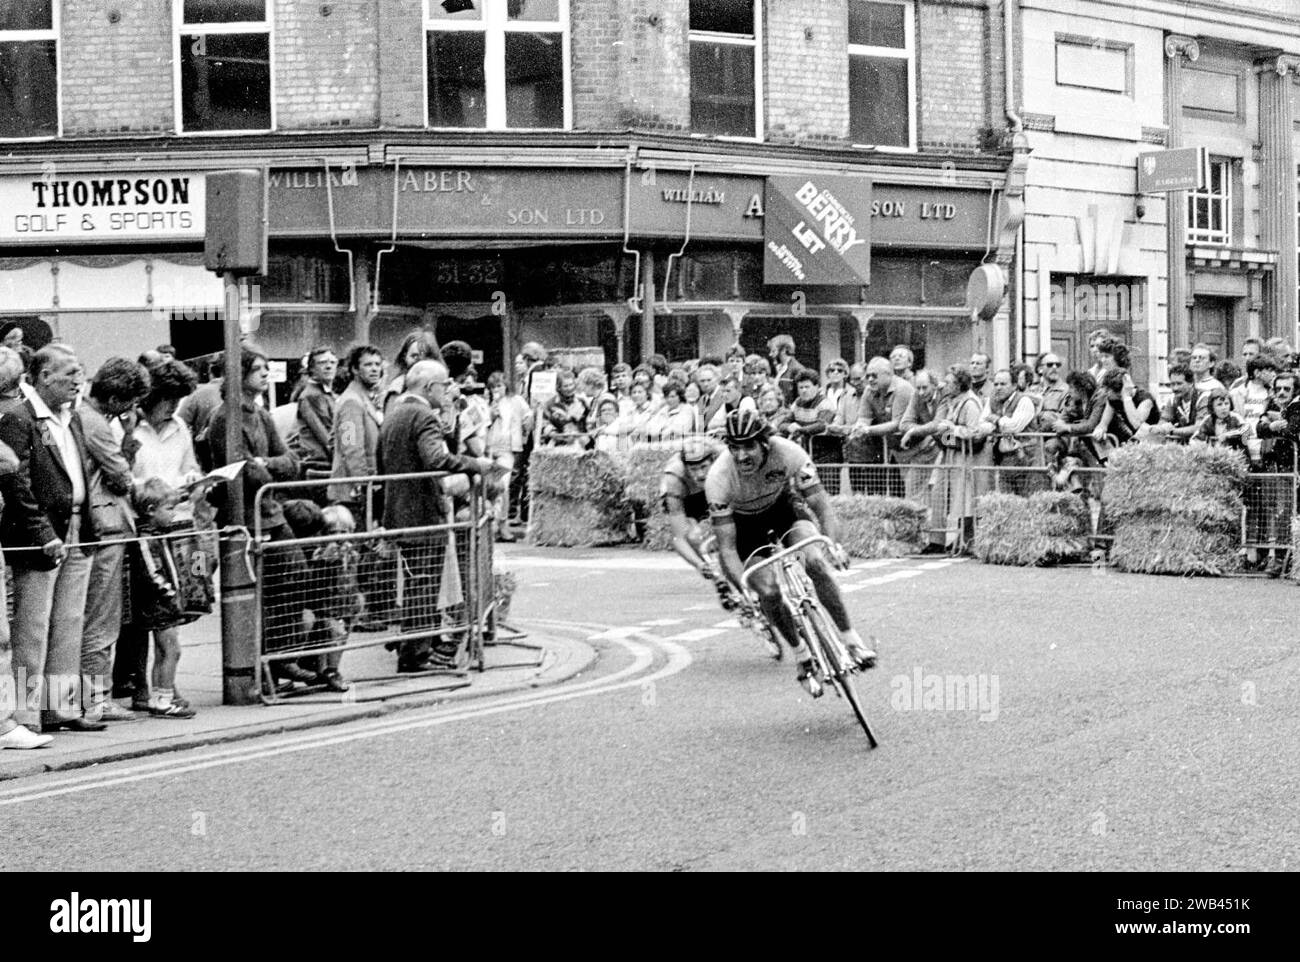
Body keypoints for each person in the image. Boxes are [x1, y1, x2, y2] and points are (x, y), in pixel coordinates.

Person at [707, 409, 876, 698]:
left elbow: (822, 507)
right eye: (734, 447)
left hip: (783, 510)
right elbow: (727, 548)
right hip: (744, 526)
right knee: (769, 591)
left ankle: (852, 640)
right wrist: (745, 587)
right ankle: (802, 656)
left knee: (815, 562)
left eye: (749, 446)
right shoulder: (718, 479)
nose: (741, 455)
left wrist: (832, 545)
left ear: (765, 443)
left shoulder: (789, 452)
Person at [0, 344, 102, 734]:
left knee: (69, 623)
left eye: (80, 372)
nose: (78, 381)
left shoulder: (69, 416)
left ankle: (60, 708)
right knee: (32, 628)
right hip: (42, 535)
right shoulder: (20, 417)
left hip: (76, 528)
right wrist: (40, 533)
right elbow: (17, 482)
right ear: (43, 377)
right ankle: (25, 714)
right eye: (69, 373)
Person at [376, 360, 494, 672]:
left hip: (399, 511)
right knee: (424, 584)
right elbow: (436, 458)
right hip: (423, 511)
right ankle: (416, 655)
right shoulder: (423, 414)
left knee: (417, 582)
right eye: (443, 385)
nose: (446, 391)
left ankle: (415, 648)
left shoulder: (393, 414)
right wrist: (474, 464)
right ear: (429, 388)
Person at [113, 358, 203, 712]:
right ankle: (142, 687)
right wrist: (152, 492)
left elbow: (189, 465)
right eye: (171, 399)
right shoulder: (130, 430)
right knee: (143, 617)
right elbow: (120, 476)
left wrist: (193, 480)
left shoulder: (179, 426)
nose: (176, 406)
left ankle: (164, 685)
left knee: (171, 614)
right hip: (143, 526)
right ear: (152, 396)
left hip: (177, 522)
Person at [77, 357, 150, 724]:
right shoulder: (98, 425)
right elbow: (121, 477)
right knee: (102, 619)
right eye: (132, 401)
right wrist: (129, 436)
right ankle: (96, 699)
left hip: (98, 528)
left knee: (93, 616)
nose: (134, 409)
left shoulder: (84, 417)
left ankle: (91, 696)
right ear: (117, 399)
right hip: (107, 527)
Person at [1254, 373, 1300, 577]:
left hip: (1295, 467)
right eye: (1278, 388)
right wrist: (1271, 425)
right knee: (1280, 513)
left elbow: (1292, 430)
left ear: (1295, 390)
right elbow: (1258, 428)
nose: (1281, 392)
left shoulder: (1297, 406)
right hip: (1279, 467)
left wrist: (1274, 425)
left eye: (1286, 389)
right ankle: (1280, 558)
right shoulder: (1271, 404)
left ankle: (1290, 560)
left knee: (1290, 513)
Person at [291, 346, 338, 475]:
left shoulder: (328, 394)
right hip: (320, 465)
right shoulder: (312, 395)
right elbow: (326, 435)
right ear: (312, 368)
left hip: (326, 462)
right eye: (322, 363)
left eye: (332, 362)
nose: (328, 366)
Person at [381, 329, 440, 414]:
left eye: (426, 357)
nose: (420, 362)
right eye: (415, 356)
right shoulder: (398, 387)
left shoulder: (437, 385)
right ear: (405, 357)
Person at [1151, 365, 1201, 443]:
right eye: (1172, 384)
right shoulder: (1173, 399)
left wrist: (1171, 431)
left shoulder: (1202, 398)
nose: (1175, 388)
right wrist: (1159, 428)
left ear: (1191, 383)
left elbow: (1199, 427)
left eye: (1179, 384)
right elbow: (1164, 421)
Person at [768, 335, 806, 405]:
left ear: (784, 350)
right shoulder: (779, 368)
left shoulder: (797, 369)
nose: (770, 354)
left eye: (773, 351)